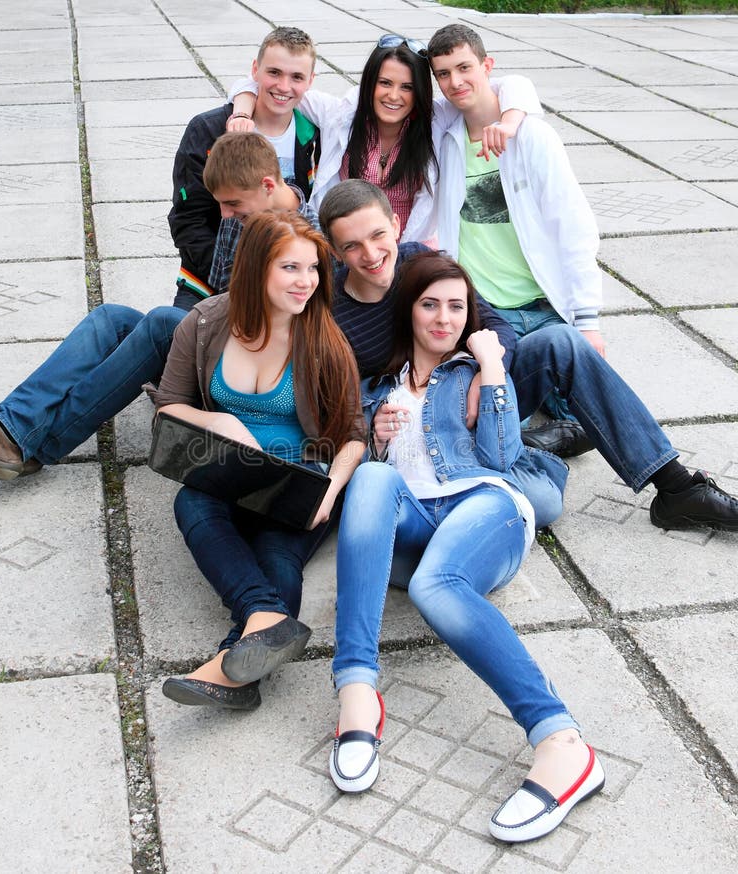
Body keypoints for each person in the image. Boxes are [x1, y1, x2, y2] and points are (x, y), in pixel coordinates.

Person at [329, 250, 604, 844]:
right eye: (430, 304)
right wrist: (374, 442)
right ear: (410, 311)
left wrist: (492, 365)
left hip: (483, 509)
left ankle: (562, 742)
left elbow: (503, 459)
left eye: (457, 306)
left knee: (436, 585)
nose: (443, 317)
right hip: (412, 529)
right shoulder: (377, 387)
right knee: (373, 478)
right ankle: (357, 691)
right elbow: (369, 497)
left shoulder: (473, 375)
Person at [318, 180, 738, 532]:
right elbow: (341, 394)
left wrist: (488, 372)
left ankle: (678, 489)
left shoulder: (418, 261)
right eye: (352, 246)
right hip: (419, 426)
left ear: (395, 225)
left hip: (476, 395)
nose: (371, 255)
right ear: (336, 252)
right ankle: (535, 444)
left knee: (561, 341)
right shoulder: (331, 312)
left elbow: (494, 324)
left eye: (377, 236)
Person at [0, 133, 315, 481]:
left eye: (232, 205)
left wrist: (190, 333)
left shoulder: (309, 235)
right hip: (219, 346)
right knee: (113, 318)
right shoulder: (243, 216)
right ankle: (10, 427)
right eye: (221, 205)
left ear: (268, 186)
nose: (226, 216)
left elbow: (301, 324)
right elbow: (215, 294)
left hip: (257, 375)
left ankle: (30, 447)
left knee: (164, 323)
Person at [157, 211, 366, 709]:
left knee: (278, 557)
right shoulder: (206, 323)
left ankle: (234, 664)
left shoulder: (324, 339)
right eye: (290, 268)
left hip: (300, 476)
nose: (306, 282)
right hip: (228, 470)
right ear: (255, 268)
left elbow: (355, 436)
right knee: (192, 501)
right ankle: (262, 620)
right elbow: (169, 405)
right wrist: (222, 423)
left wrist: (330, 493)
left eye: (313, 269)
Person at [429, 23, 601, 456]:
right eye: (444, 74)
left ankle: (550, 431)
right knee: (492, 413)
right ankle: (526, 433)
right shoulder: (443, 136)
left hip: (546, 309)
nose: (455, 82)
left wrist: (588, 320)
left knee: (592, 416)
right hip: (490, 316)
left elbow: (573, 225)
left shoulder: (533, 137)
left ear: (488, 66)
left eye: (465, 68)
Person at [228, 33, 542, 242]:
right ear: (370, 84)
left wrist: (510, 123)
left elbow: (510, 84)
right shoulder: (343, 115)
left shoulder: (435, 120)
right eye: (385, 83)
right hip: (344, 250)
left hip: (407, 253)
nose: (394, 96)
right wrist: (241, 114)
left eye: (406, 87)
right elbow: (262, 83)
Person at [169, 26, 320, 308]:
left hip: (290, 287)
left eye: (296, 77)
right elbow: (188, 220)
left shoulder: (314, 136)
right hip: (211, 281)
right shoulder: (210, 130)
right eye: (274, 72)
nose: (284, 87)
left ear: (310, 81)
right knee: (176, 336)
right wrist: (243, 281)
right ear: (255, 70)